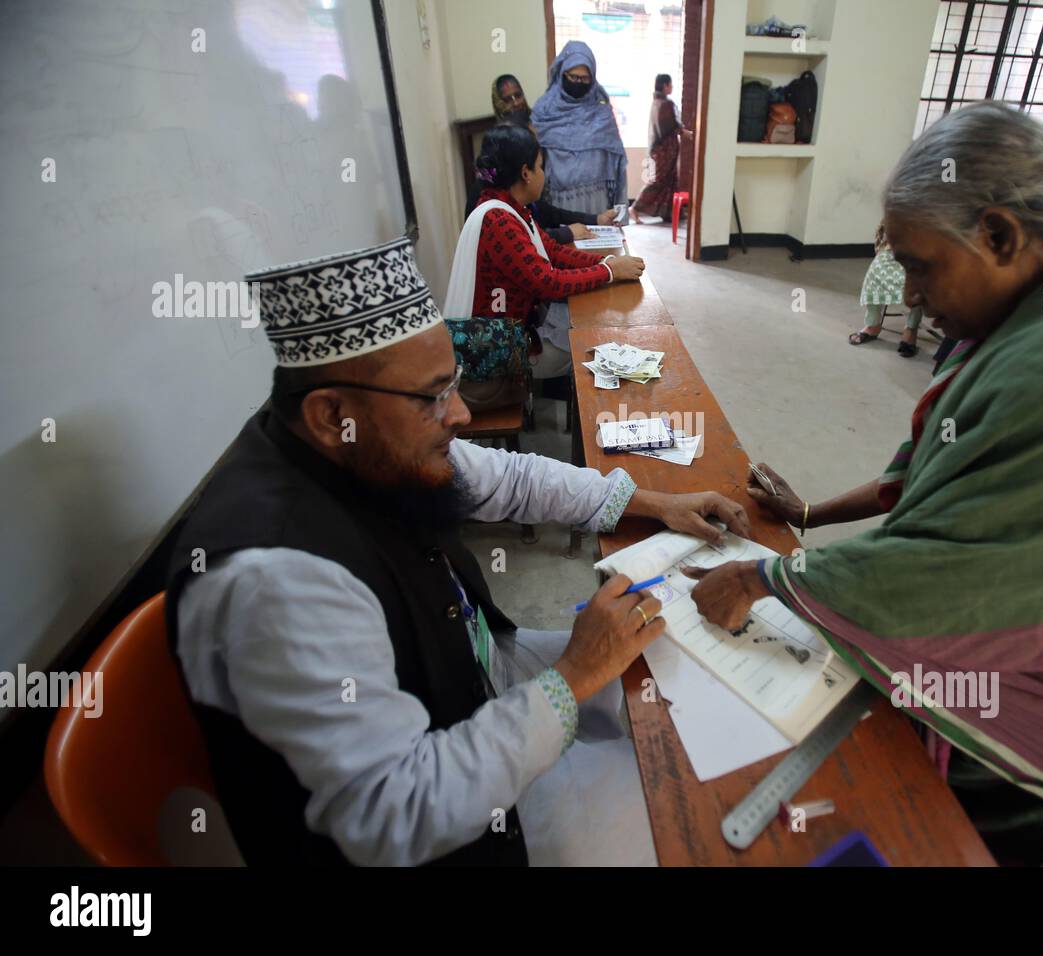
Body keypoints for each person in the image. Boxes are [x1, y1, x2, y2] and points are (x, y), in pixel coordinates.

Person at [683, 102, 1043, 867]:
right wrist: (810, 513)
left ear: (997, 235)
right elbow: (950, 465)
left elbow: (949, 570)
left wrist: (766, 575)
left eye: (922, 266)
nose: (913, 295)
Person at [168, 237, 750, 866]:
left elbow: (512, 480)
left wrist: (656, 502)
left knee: (668, 660)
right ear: (331, 412)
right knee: (685, 818)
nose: (464, 415)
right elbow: (398, 812)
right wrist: (573, 677)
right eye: (434, 396)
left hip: (473, 674)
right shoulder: (277, 581)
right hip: (445, 821)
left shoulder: (361, 445)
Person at [444, 126, 645, 380]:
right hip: (499, 348)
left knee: (585, 331)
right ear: (525, 173)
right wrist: (608, 271)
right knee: (589, 348)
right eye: (540, 167)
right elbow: (547, 282)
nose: (543, 174)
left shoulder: (510, 207)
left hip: (515, 331)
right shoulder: (499, 220)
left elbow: (554, 252)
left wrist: (607, 261)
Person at [465, 105, 618, 246]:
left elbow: (549, 214)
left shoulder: (513, 191)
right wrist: (567, 233)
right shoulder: (493, 203)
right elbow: (527, 241)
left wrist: (596, 219)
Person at [531, 40, 629, 216]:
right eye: (573, 77)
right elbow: (534, 161)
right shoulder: (544, 111)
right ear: (562, 74)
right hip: (557, 203)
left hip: (599, 203)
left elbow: (618, 164)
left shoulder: (602, 112)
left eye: (585, 79)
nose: (578, 82)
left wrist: (620, 215)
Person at [849, 222, 923, 357]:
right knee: (873, 275)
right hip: (894, 248)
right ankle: (873, 325)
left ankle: (911, 329)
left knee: (919, 284)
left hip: (921, 251)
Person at [630, 74, 683, 223]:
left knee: (670, 181)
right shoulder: (665, 104)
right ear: (665, 86)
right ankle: (634, 208)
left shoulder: (658, 102)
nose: (672, 87)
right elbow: (671, 126)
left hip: (662, 150)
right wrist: (684, 132)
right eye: (670, 85)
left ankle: (667, 213)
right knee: (657, 180)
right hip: (663, 151)